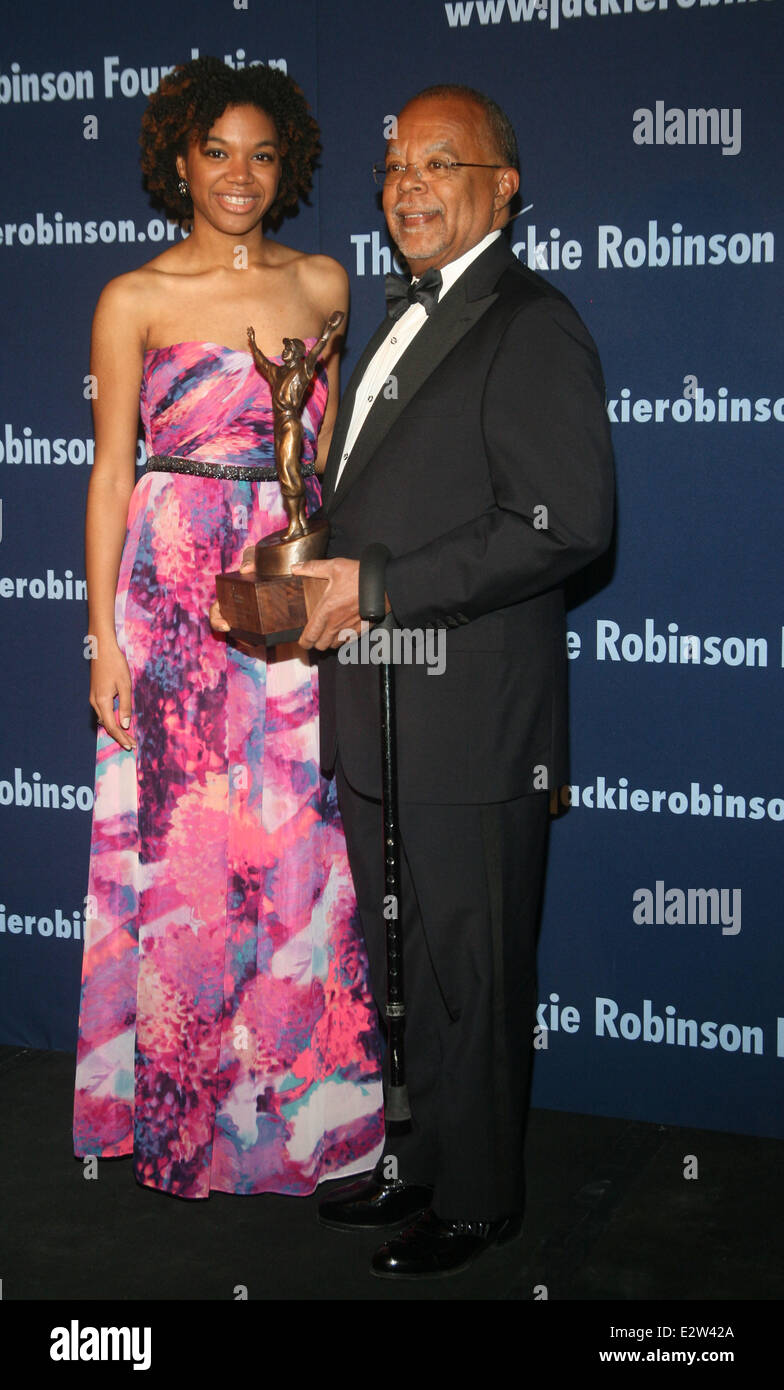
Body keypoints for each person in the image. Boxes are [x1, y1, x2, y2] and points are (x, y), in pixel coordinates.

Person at [293, 85, 614, 1277]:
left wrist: (374, 588)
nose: (408, 185)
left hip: (472, 714)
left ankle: (481, 1200)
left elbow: (566, 520)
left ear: (502, 188)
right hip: (381, 708)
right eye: (393, 168)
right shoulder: (394, 323)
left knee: (474, 968)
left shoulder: (530, 321)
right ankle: (420, 1165)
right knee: (412, 966)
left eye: (442, 162)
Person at [73, 56, 383, 1200]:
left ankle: (304, 1121)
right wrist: (104, 638)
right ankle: (185, 1117)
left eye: (261, 154)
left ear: (285, 163)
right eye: (217, 153)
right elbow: (112, 474)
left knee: (293, 842)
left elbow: (330, 457)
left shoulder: (324, 285)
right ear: (179, 162)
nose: (238, 176)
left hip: (281, 583)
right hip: (169, 588)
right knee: (186, 852)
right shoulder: (133, 298)